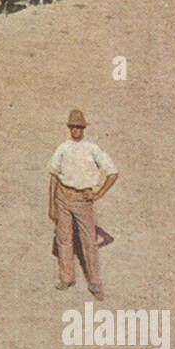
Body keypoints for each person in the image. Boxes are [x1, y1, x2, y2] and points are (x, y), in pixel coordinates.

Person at [47, 109, 118, 300]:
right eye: (72, 127)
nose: (75, 130)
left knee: (88, 241)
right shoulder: (62, 148)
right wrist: (51, 205)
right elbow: (54, 175)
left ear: (84, 128)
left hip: (82, 199)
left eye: (79, 127)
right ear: (69, 128)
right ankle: (66, 277)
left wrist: (98, 193)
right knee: (64, 238)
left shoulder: (92, 149)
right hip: (63, 196)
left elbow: (112, 172)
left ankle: (94, 283)